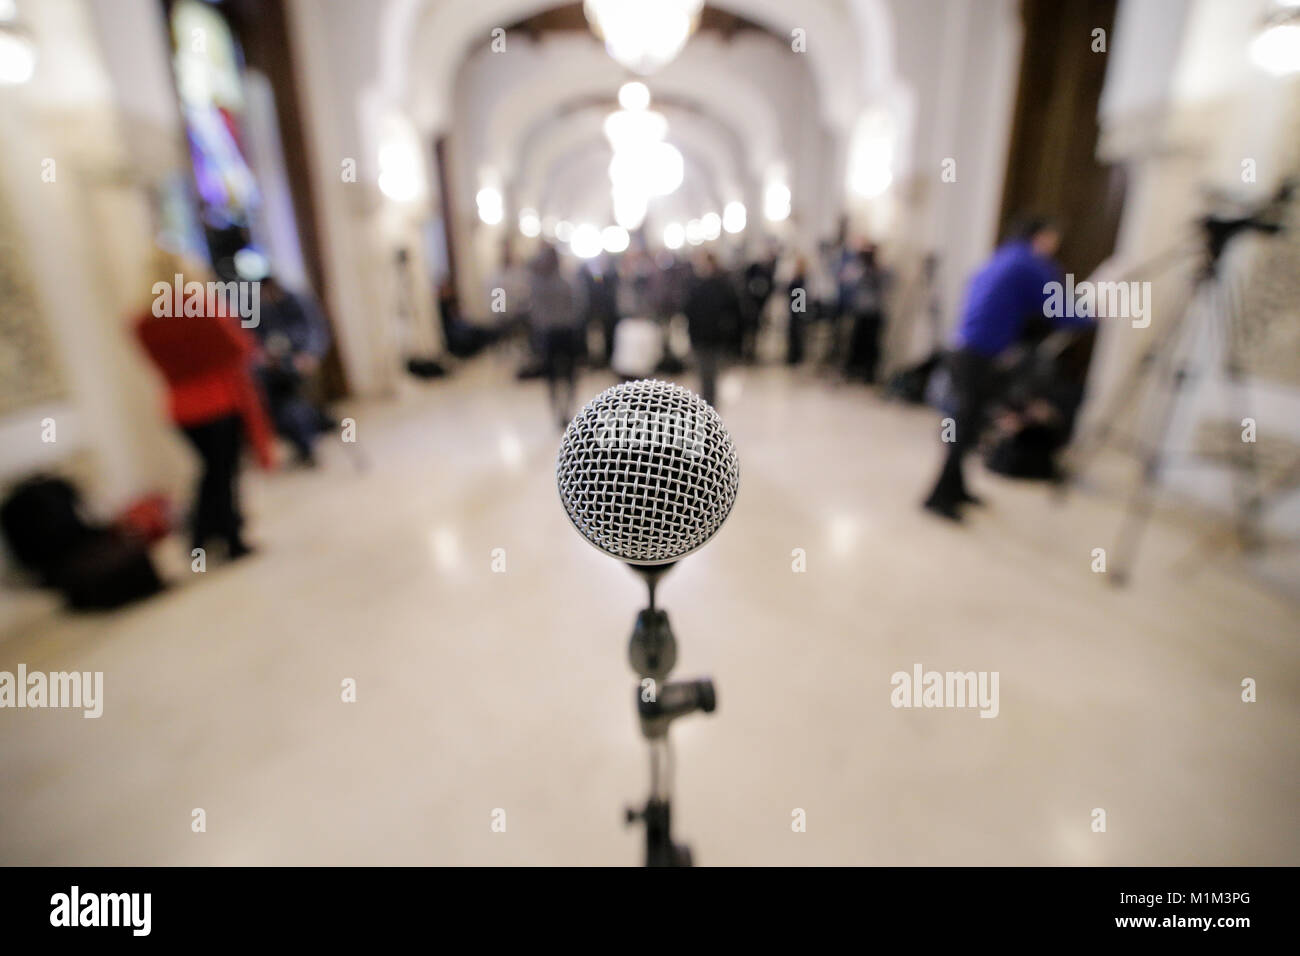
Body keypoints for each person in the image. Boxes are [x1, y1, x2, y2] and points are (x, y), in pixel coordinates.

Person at [921, 216, 1093, 521]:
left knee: (968, 423)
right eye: (1052, 240)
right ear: (1041, 237)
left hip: (964, 349)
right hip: (979, 356)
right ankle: (939, 497)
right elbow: (1061, 309)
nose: (1054, 248)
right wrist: (1097, 311)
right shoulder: (1029, 265)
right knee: (964, 426)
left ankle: (956, 488)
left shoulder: (1001, 259)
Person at [136, 256, 276, 560]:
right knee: (223, 473)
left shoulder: (145, 321)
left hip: (180, 408)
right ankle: (228, 538)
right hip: (218, 401)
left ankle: (202, 536)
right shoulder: (200, 308)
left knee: (210, 473)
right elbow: (240, 346)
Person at [253, 275, 332, 466]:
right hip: (275, 369)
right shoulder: (261, 309)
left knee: (296, 403)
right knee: (275, 405)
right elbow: (254, 340)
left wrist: (310, 355)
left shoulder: (298, 301)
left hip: (303, 361)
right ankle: (306, 436)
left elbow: (316, 330)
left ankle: (312, 430)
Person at [528, 244, 586, 431]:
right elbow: (578, 305)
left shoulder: (551, 281)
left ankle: (563, 410)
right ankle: (562, 410)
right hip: (558, 331)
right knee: (562, 375)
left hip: (557, 331)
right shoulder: (547, 281)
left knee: (560, 375)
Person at [683, 252, 741, 407]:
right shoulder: (695, 284)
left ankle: (710, 404)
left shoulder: (722, 285)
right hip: (699, 336)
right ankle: (704, 402)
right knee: (702, 373)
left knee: (711, 372)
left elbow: (733, 309)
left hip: (715, 336)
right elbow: (689, 309)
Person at [843, 244, 888, 383]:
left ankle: (869, 373)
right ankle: (853, 370)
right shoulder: (857, 268)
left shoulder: (880, 269)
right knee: (856, 343)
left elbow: (887, 283)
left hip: (874, 313)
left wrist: (876, 270)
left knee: (872, 345)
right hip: (860, 312)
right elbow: (846, 280)